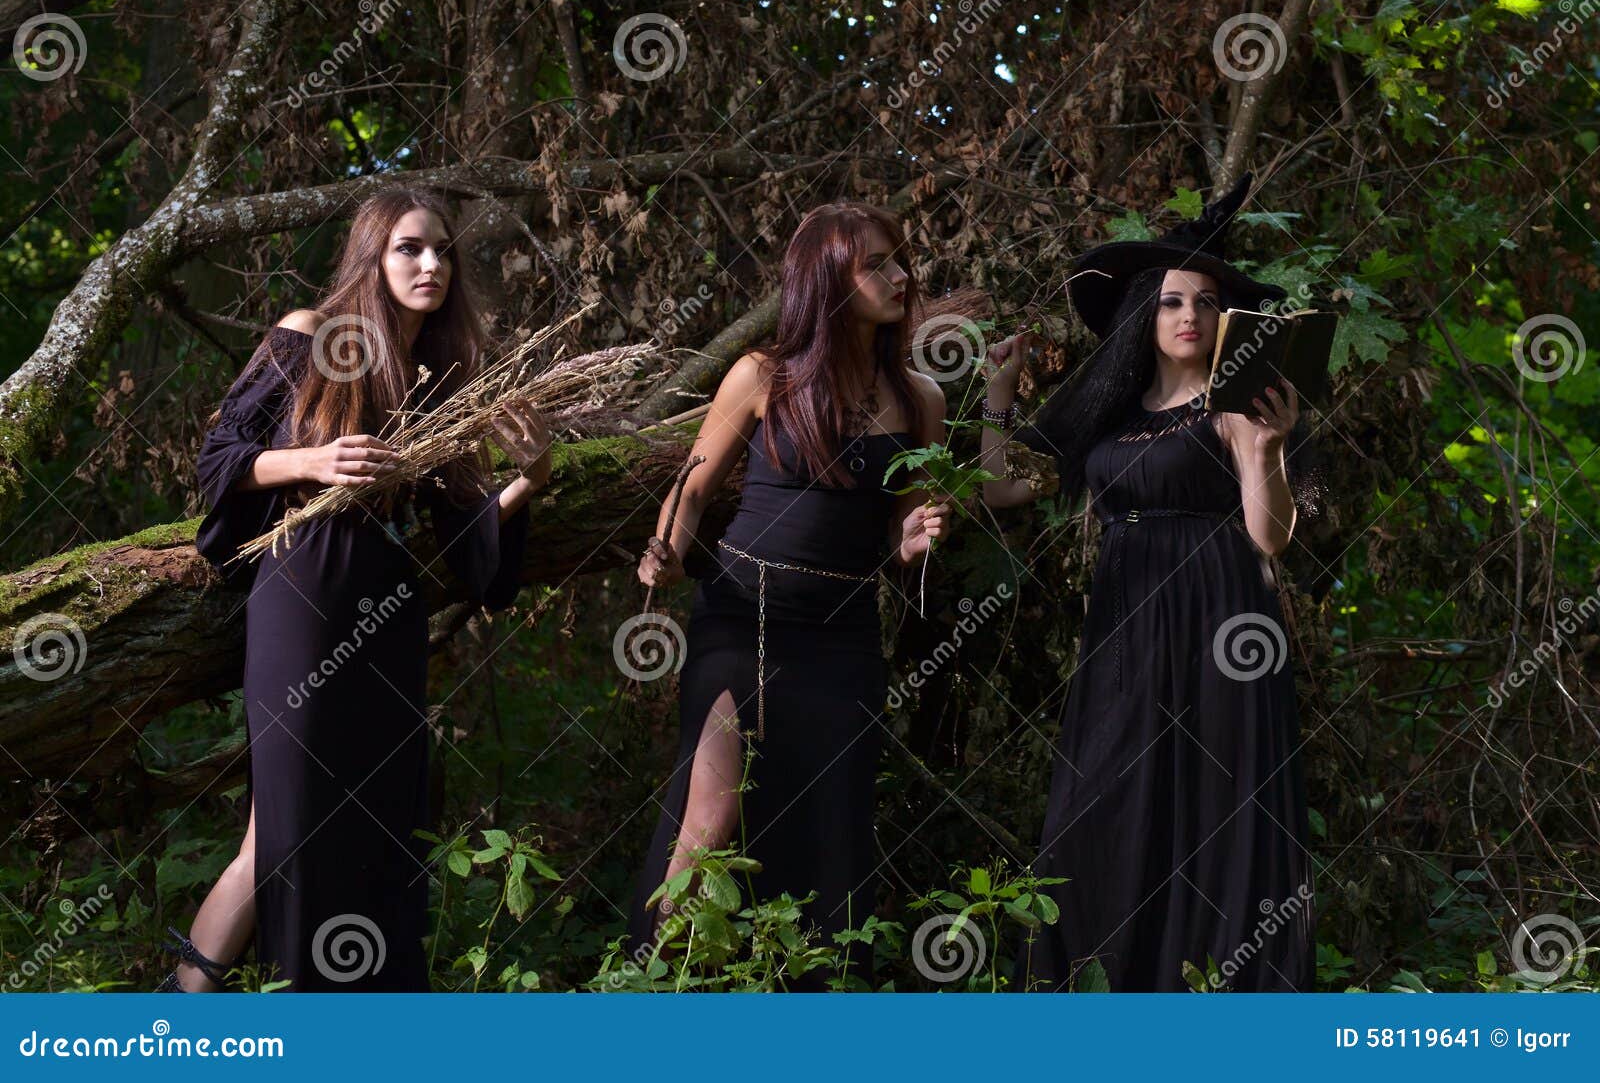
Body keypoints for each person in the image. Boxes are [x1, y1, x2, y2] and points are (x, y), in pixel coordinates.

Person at [162, 186, 550, 991]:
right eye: (410, 247)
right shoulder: (309, 336)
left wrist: (530, 480)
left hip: (386, 621)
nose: (432, 264)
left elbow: (462, 536)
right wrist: (314, 461)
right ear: (373, 255)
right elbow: (219, 457)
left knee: (369, 830)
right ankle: (183, 1022)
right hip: (303, 599)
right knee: (287, 833)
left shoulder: (437, 381)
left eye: (443, 250)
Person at [980, 174, 1322, 991]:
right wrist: (996, 395)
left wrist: (1269, 450)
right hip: (1125, 620)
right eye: (1172, 301)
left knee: (1222, 796)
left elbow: (1270, 536)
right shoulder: (1109, 408)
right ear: (1145, 311)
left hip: (1223, 613)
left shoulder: (1242, 406)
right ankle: (1102, 990)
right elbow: (1000, 491)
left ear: (1225, 319)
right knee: (1103, 795)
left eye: (1205, 303)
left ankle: (1223, 998)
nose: (1189, 317)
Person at [624, 201, 951, 988]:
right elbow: (692, 489)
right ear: (827, 281)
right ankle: (641, 998)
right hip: (743, 618)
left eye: (898, 259)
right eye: (876, 263)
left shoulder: (920, 402)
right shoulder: (762, 376)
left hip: (842, 638)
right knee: (708, 824)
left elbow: (908, 532)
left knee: (828, 831)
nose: (900, 276)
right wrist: (666, 546)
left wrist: (915, 540)